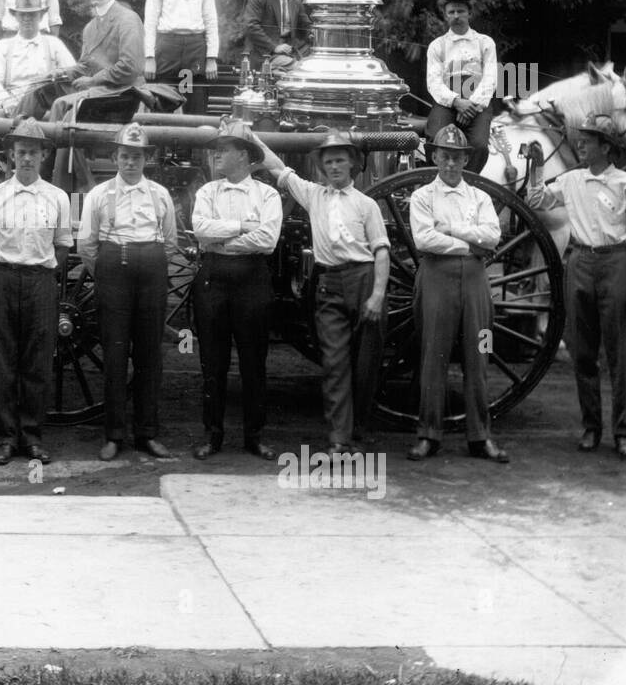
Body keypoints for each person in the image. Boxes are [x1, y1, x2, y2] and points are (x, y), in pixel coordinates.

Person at [256, 130, 390, 453]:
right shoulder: (313, 195)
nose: (334, 167)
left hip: (365, 279)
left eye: (340, 160)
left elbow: (382, 252)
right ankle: (339, 439)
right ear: (321, 167)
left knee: (367, 362)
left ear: (352, 164)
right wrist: (252, 138)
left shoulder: (367, 205)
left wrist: (377, 295)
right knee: (334, 362)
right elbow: (278, 168)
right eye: (328, 161)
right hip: (329, 284)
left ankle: (358, 426)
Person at [525, 113, 626, 459]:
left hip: (616, 264)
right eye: (581, 138)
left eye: (588, 139)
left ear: (606, 147)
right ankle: (592, 427)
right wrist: (535, 166)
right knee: (583, 352)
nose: (580, 142)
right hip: (579, 263)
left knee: (620, 355)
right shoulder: (571, 180)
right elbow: (537, 201)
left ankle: (623, 432)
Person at [0, 117, 73, 465]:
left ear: (43, 155)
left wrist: (37, 270)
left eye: (33, 152)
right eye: (21, 152)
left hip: (40, 283)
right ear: (12, 156)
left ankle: (31, 437)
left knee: (37, 361)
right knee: (3, 362)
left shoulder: (59, 198)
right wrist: (5, 270)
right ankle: (6, 438)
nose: (27, 158)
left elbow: (62, 247)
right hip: (2, 279)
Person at [76, 122, 179, 461]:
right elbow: (87, 245)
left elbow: (170, 241)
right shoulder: (99, 194)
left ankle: (147, 434)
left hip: (151, 270)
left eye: (137, 156)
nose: (131, 162)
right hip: (113, 271)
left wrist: (146, 262)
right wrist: (109, 272)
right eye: (125, 156)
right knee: (116, 354)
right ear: (115, 157)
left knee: (150, 354)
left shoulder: (160, 194)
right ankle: (114, 435)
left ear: (146, 159)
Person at [407, 124, 507, 464]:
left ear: (466, 160)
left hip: (477, 285)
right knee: (433, 357)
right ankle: (428, 435)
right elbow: (424, 240)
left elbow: (492, 236)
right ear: (434, 156)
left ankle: (481, 436)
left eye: (457, 158)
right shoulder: (422, 197)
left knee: (480, 355)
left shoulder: (481, 197)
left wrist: (452, 230)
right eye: (445, 156)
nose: (451, 164)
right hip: (436, 279)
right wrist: (469, 244)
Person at [189, 120, 283, 460]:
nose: (217, 156)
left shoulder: (267, 194)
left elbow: (268, 240)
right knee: (211, 361)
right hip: (213, 278)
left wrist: (224, 236)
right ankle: (212, 436)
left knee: (253, 360)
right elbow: (200, 230)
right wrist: (242, 227)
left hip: (252, 280)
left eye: (224, 150)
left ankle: (254, 436)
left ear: (243, 156)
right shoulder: (207, 192)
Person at [143, 0, 219, 115]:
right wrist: (150, 58)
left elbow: (211, 20)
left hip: (194, 48)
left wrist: (211, 58)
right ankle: (163, 143)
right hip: (167, 48)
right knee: (164, 102)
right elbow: (150, 23)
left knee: (193, 103)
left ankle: (193, 144)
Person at [425, 0, 497, 174]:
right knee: (434, 138)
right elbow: (433, 82)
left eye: (461, 11)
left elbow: (490, 77)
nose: (456, 16)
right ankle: (436, 182)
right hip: (448, 99)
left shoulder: (485, 42)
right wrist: (457, 102)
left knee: (479, 145)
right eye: (451, 12)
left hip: (477, 101)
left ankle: (468, 182)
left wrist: (471, 105)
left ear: (469, 13)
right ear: (445, 15)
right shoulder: (437, 46)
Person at [0, 0, 78, 118]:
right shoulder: (2, 47)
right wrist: (5, 101)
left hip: (47, 112)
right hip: (13, 110)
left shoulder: (54, 44)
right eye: (22, 14)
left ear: (41, 16)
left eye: (32, 14)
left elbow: (72, 74)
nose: (27, 18)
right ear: (15, 16)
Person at [239, 0, 311, 68]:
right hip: (264, 56)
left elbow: (307, 29)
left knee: (315, 64)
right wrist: (274, 47)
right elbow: (251, 26)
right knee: (301, 68)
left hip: (290, 54)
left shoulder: (296, 4)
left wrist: (319, 36)